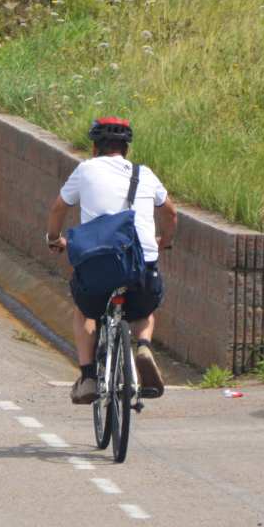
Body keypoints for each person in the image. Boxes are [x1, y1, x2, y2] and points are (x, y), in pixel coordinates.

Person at [45, 117, 177, 405]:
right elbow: (170, 213)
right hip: (141, 262)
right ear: (126, 149)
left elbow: (58, 209)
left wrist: (54, 238)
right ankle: (143, 347)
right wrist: (163, 241)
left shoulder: (86, 170)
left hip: (98, 264)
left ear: (94, 147)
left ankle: (89, 376)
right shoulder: (145, 174)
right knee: (143, 311)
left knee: (85, 312)